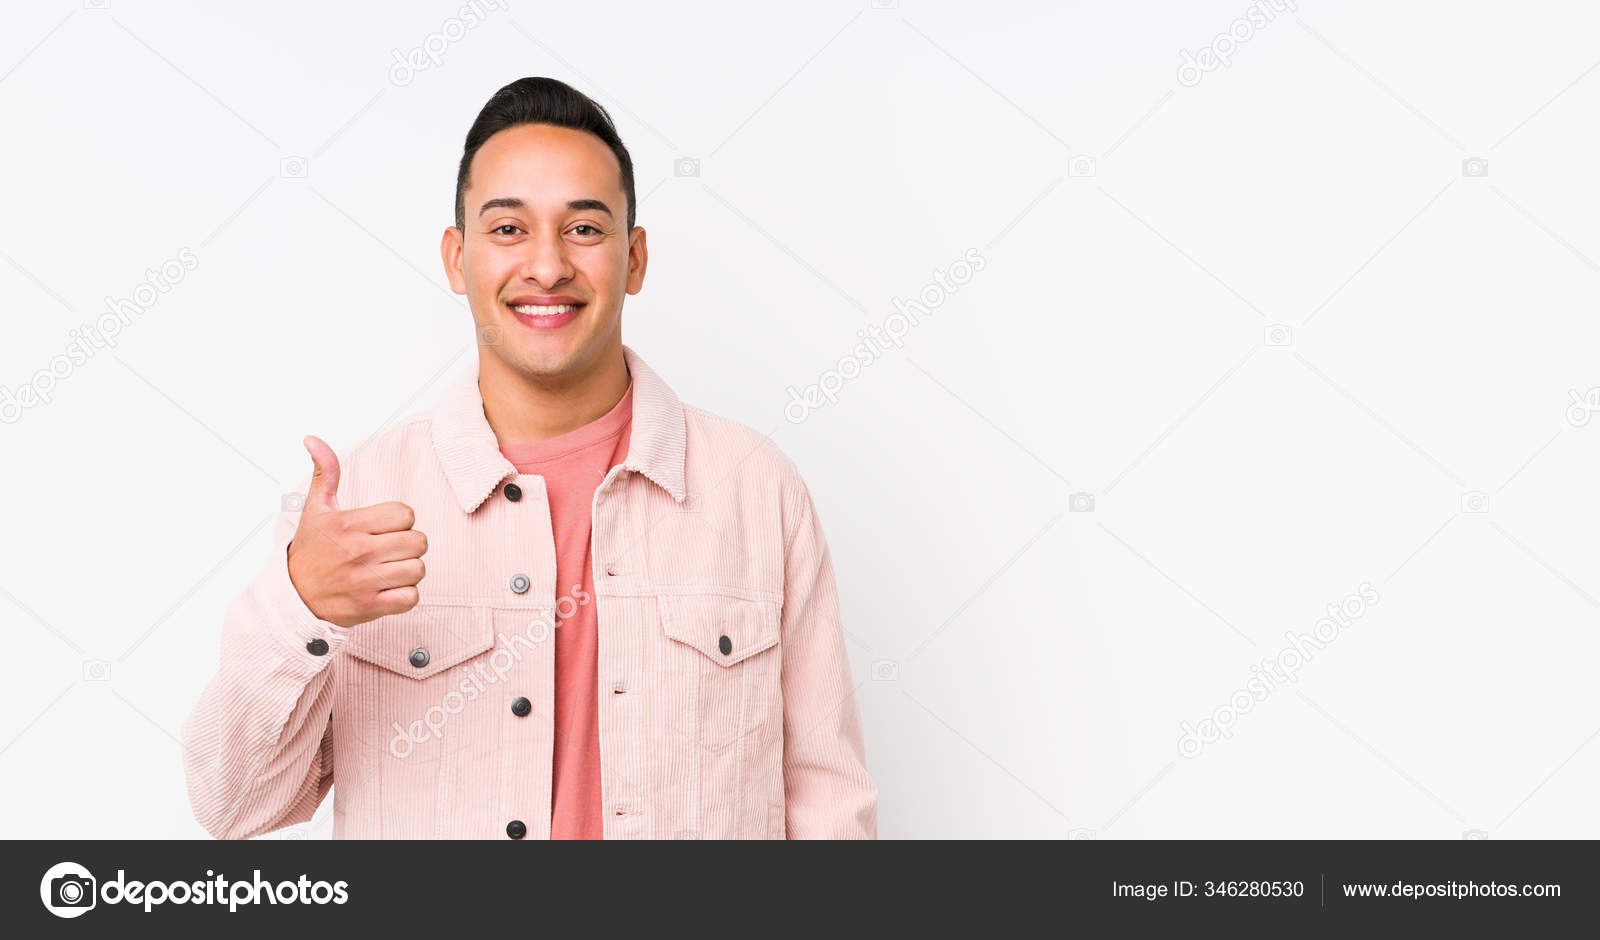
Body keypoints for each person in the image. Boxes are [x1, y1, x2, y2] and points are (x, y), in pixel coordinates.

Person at [180, 76, 876, 840]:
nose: (547, 267)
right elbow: (236, 807)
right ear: (457, 259)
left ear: (635, 259)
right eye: (509, 230)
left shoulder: (755, 488)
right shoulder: (358, 504)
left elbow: (827, 802)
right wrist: (301, 605)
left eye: (584, 229)